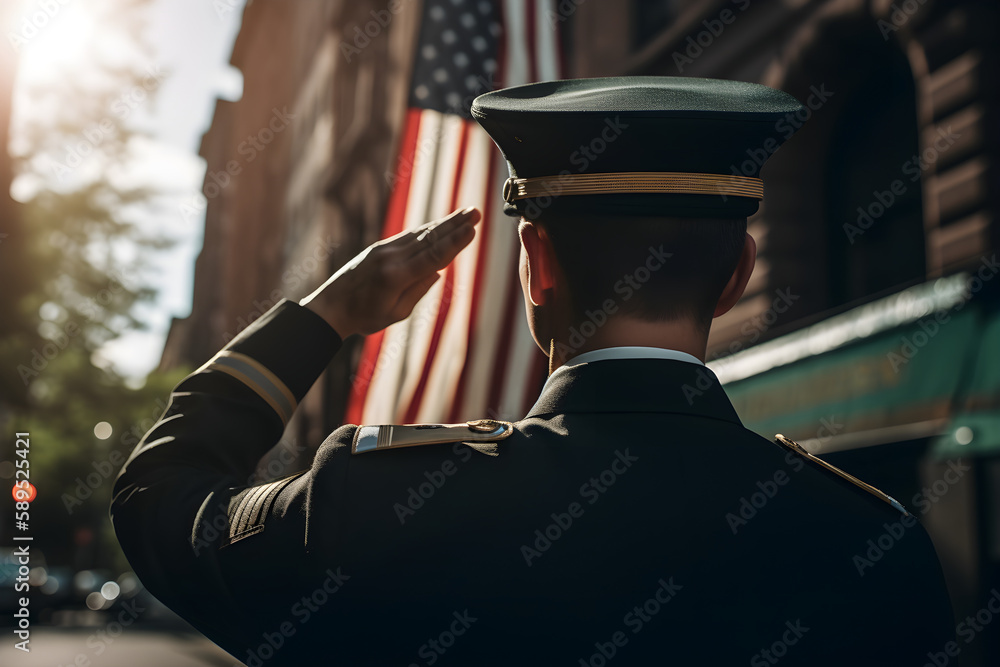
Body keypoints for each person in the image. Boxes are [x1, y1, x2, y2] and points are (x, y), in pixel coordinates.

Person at [111, 77, 954, 666]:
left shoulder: (373, 505)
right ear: (737, 274)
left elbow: (157, 498)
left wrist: (323, 315)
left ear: (533, 265)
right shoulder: (874, 542)